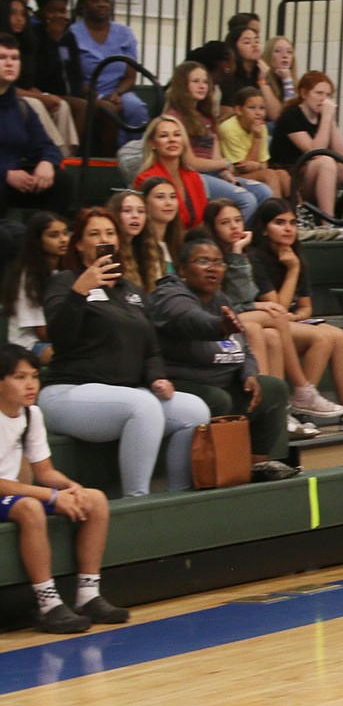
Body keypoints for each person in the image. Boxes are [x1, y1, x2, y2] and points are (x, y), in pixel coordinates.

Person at [39, 208, 210, 496]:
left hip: (124, 392)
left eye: (109, 233)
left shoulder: (129, 289)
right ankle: (136, 501)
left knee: (195, 411)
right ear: (79, 244)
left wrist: (156, 377)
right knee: (142, 407)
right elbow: (59, 336)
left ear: (118, 242)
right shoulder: (65, 282)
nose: (103, 239)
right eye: (94, 234)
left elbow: (151, 347)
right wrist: (79, 291)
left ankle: (178, 495)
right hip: (68, 391)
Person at [147, 234, 299, 481]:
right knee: (219, 400)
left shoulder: (221, 300)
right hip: (180, 386)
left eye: (218, 262)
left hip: (224, 382)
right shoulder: (170, 295)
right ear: (183, 269)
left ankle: (255, 468)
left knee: (273, 388)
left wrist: (248, 373)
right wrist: (219, 326)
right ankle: (212, 472)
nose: (213, 269)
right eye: (203, 261)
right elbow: (189, 320)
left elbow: (244, 348)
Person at [0, 342, 124, 633]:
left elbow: (44, 471)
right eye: (20, 377)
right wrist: (52, 496)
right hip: (11, 495)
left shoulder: (32, 414)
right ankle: (48, 604)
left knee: (95, 499)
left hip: (15, 494)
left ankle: (88, 595)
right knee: (30, 507)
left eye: (34, 376)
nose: (30, 385)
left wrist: (71, 487)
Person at [202, 196, 323, 440]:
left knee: (272, 335)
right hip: (216, 319)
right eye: (226, 223)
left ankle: (281, 411)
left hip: (241, 313)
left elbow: (246, 295)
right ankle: (299, 390)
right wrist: (238, 256)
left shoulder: (239, 252)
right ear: (213, 228)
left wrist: (238, 254)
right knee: (275, 317)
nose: (235, 227)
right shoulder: (211, 253)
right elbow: (227, 300)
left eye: (238, 220)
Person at [162, 60, 268, 217]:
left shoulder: (206, 115)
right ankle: (228, 239)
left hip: (213, 172)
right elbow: (190, 163)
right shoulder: (174, 117)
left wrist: (225, 173)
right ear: (183, 84)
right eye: (196, 81)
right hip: (192, 175)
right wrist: (225, 163)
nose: (202, 86)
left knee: (263, 192)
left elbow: (215, 152)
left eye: (205, 81)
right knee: (246, 200)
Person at [269, 71, 343, 223]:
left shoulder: (324, 117)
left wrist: (330, 121)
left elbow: (341, 154)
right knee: (325, 161)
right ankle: (328, 223)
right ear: (304, 93)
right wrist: (326, 119)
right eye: (319, 93)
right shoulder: (291, 116)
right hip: (293, 177)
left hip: (315, 175)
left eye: (328, 95)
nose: (324, 99)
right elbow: (315, 152)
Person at [68, 0, 146, 143]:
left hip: (119, 92)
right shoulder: (73, 33)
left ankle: (137, 156)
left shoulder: (124, 33)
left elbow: (130, 77)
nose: (102, 4)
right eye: (95, 0)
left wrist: (116, 93)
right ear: (83, 5)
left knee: (135, 107)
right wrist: (100, 96)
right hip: (86, 94)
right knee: (108, 111)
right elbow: (73, 78)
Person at [0, 34, 68, 213]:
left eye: (15, 58)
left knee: (61, 181)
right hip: (4, 178)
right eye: (2, 57)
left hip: (14, 181)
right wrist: (5, 174)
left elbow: (47, 145)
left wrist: (46, 163)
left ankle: (51, 234)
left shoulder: (21, 107)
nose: (9, 63)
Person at [3, 0, 78, 154]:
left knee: (61, 105)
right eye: (13, 13)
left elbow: (28, 84)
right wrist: (41, 97)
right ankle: (54, 151)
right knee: (35, 103)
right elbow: (7, 88)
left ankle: (66, 155)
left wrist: (44, 94)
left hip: (23, 93)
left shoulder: (26, 43)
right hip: (6, 96)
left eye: (23, 14)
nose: (19, 19)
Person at [136, 114, 214, 236]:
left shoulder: (194, 177)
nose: (172, 139)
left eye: (177, 135)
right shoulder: (146, 179)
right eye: (164, 136)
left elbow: (203, 219)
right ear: (152, 143)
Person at [3, 211, 66, 358]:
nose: (63, 240)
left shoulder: (68, 271)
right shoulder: (29, 276)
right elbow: (42, 332)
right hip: (29, 344)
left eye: (65, 233)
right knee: (64, 357)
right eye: (54, 235)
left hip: (61, 338)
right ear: (38, 241)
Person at [217, 87, 292, 199]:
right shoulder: (228, 128)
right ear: (239, 110)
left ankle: (299, 211)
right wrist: (257, 138)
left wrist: (259, 165)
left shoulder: (261, 127)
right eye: (252, 108)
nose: (258, 113)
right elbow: (243, 168)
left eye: (262, 108)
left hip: (254, 171)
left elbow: (264, 163)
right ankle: (278, 213)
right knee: (269, 175)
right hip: (232, 176)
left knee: (283, 175)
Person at [218, 22, 282, 121]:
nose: (254, 45)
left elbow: (276, 116)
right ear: (234, 47)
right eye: (247, 42)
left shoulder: (262, 72)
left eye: (256, 41)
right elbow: (227, 118)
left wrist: (263, 82)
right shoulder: (228, 78)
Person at [131, 174, 182, 290]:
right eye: (160, 197)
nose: (168, 203)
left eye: (173, 197)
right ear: (145, 203)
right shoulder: (137, 246)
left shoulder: (179, 243)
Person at [265, 35, 298, 108]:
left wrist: (287, 80)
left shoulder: (296, 85)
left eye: (289, 52)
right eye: (278, 51)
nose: (285, 56)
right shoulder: (263, 82)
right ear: (269, 55)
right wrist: (287, 81)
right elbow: (285, 114)